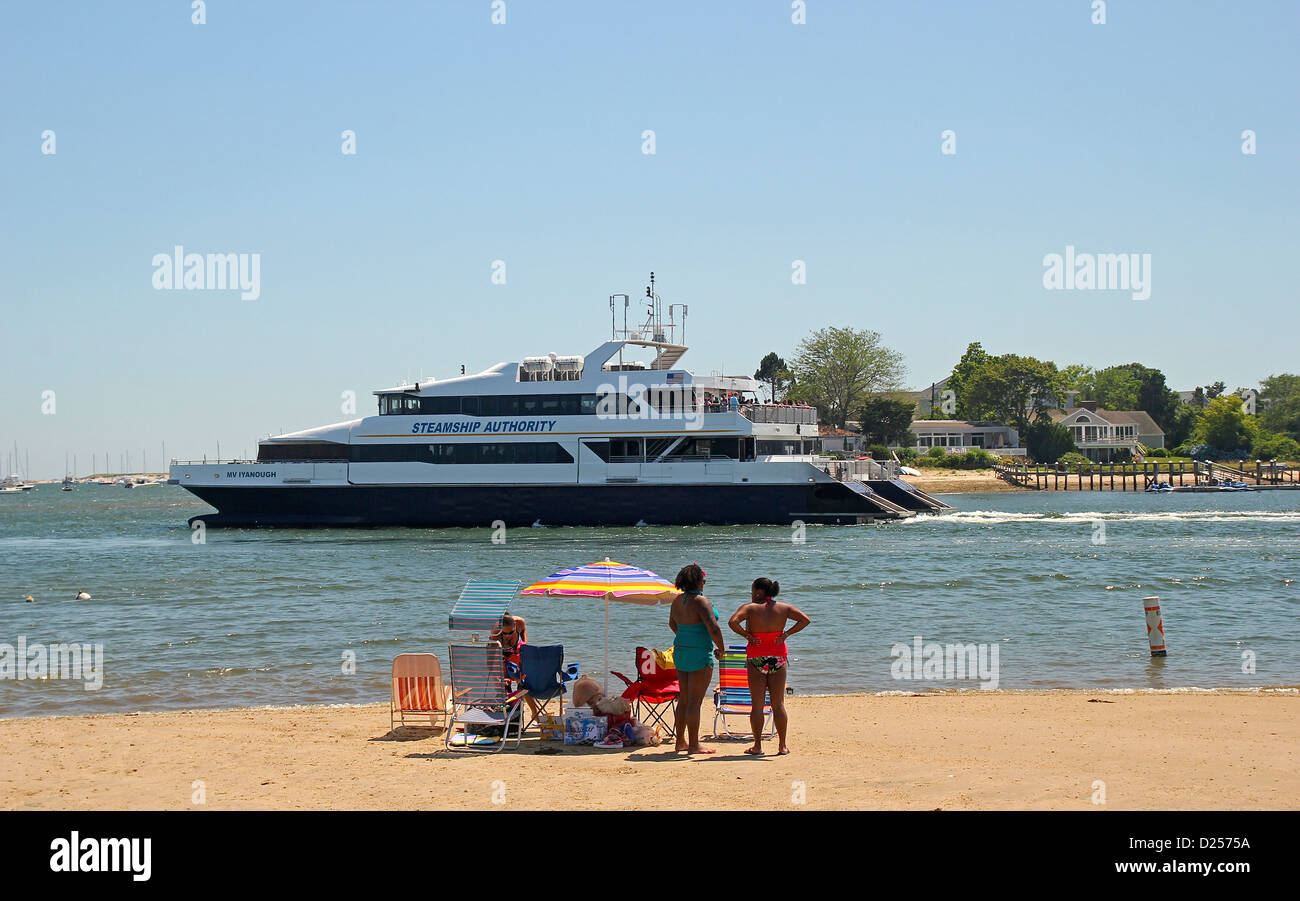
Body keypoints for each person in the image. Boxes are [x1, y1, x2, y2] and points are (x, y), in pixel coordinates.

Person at [728, 578, 810, 755]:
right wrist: (786, 634)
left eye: (752, 590)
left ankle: (757, 746)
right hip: (778, 657)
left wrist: (748, 636)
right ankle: (782, 746)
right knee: (778, 704)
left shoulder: (749, 608)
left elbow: (733, 622)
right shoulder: (783, 608)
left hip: (756, 657)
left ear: (758, 592)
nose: (750, 593)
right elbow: (805, 620)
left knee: (757, 705)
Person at [669, 563, 726, 754]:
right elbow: (714, 628)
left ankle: (680, 742)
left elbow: (672, 624)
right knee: (695, 702)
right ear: (699, 581)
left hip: (681, 650)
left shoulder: (677, 601)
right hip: (699, 652)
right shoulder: (701, 601)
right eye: (703, 579)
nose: (705, 581)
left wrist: (685, 636)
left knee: (684, 699)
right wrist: (721, 648)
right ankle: (694, 745)